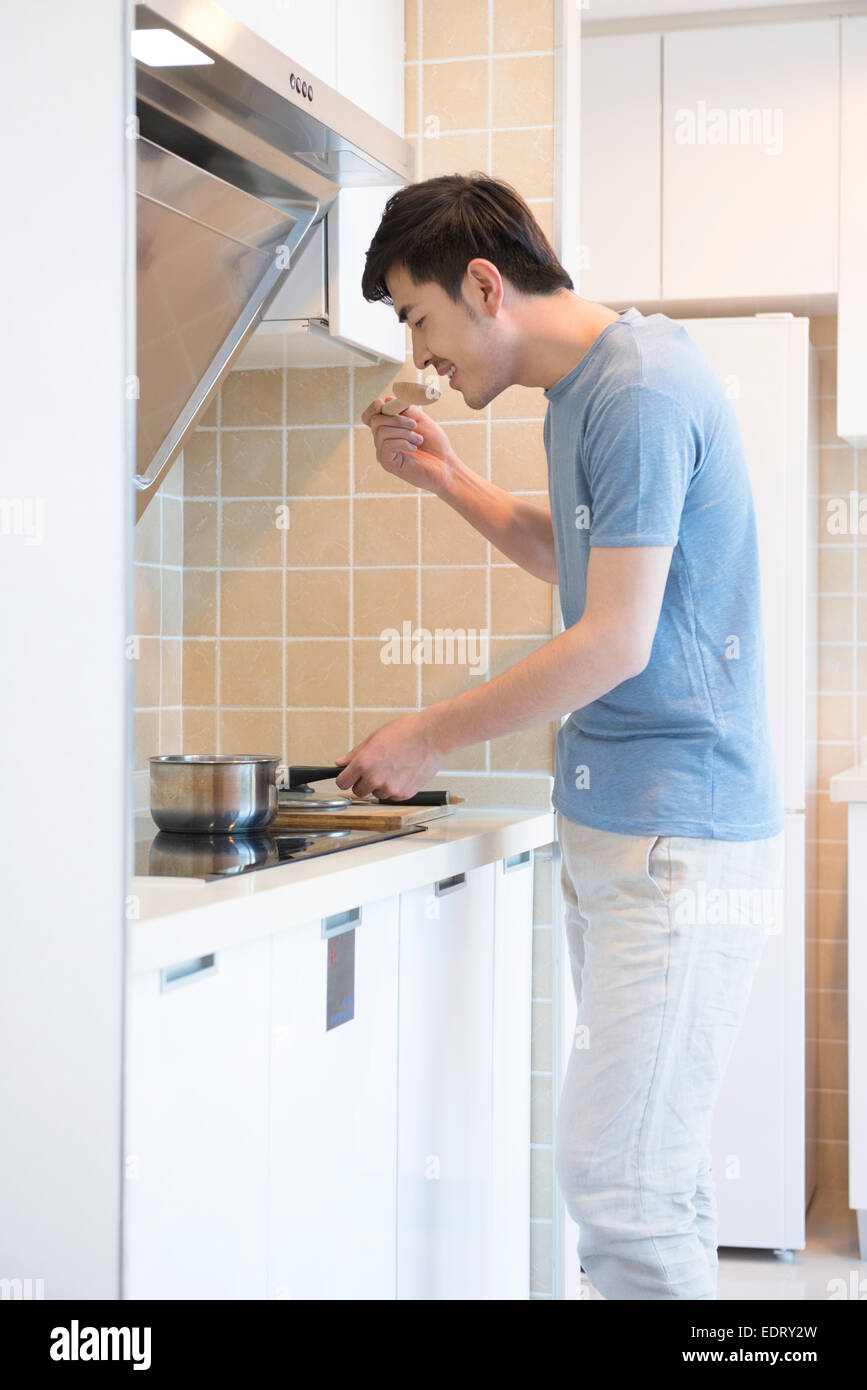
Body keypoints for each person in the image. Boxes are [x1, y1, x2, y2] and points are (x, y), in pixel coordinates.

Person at [335, 171, 785, 1300]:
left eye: (419, 317)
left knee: (620, 1187)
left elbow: (616, 639)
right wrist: (446, 477)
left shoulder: (637, 385)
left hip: (679, 837)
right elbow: (579, 562)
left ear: (484, 284)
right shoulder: (586, 390)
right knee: (653, 1181)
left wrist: (431, 735)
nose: (422, 354)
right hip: (628, 832)